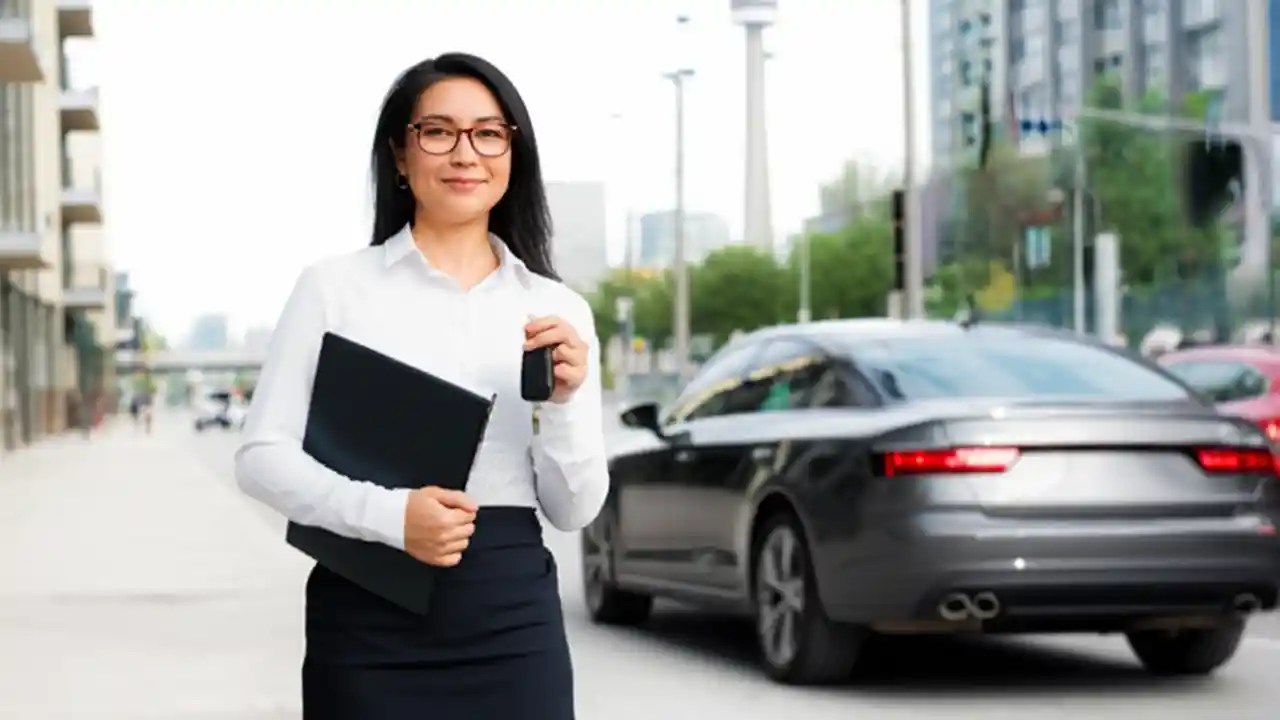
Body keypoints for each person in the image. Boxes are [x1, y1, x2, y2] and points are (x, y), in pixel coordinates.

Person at [233, 52, 609, 720]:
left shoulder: (557, 309)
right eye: (438, 131)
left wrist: (565, 405)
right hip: (369, 611)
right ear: (401, 157)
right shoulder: (334, 289)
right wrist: (390, 516)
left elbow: (573, 509)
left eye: (489, 133)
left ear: (513, 152)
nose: (466, 153)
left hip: (511, 620)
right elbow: (262, 457)